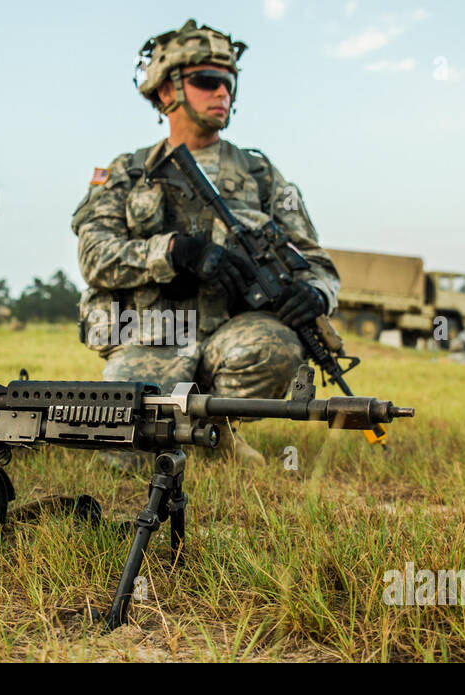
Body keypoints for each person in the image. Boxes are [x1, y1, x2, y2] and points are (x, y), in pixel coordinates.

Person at [70, 19, 341, 466]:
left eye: (229, 84)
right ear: (166, 92)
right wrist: (175, 252)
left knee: (276, 346)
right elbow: (95, 257)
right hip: (152, 337)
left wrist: (314, 293)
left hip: (228, 337)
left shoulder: (259, 174)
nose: (223, 93)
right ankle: (185, 430)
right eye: (207, 81)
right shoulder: (126, 172)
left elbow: (315, 259)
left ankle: (217, 428)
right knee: (126, 460)